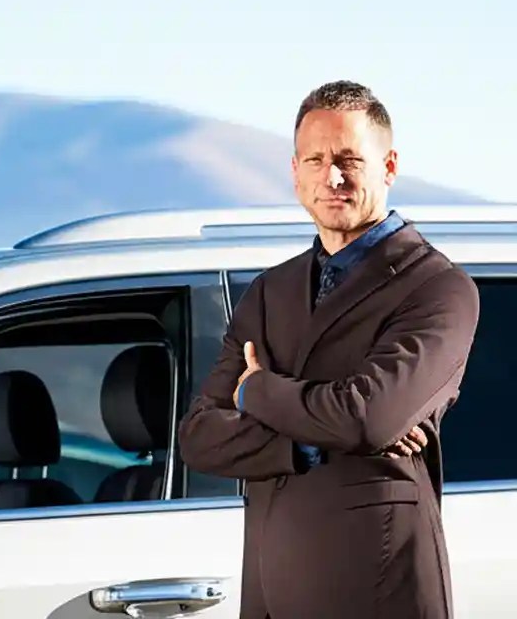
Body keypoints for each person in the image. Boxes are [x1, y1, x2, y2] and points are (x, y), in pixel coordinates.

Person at [177, 80, 480, 619]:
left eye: (348, 159)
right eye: (314, 160)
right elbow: (199, 438)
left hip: (377, 593)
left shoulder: (438, 287)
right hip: (272, 595)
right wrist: (305, 444)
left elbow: (367, 417)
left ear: (388, 167)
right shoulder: (271, 291)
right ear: (295, 171)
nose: (331, 177)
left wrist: (257, 391)